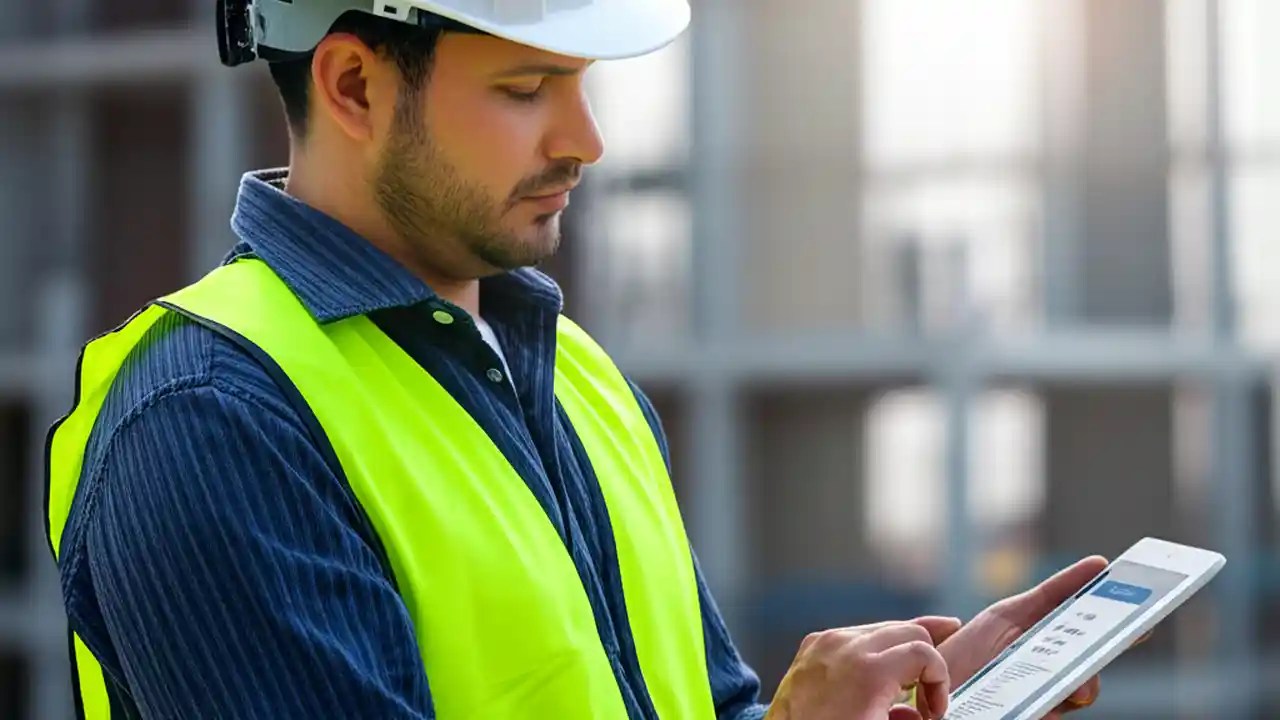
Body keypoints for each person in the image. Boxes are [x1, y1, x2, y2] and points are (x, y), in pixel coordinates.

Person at [44, 0, 1108, 717]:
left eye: (581, 83)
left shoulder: (578, 378)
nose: (584, 138)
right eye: (524, 88)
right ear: (356, 86)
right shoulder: (209, 427)